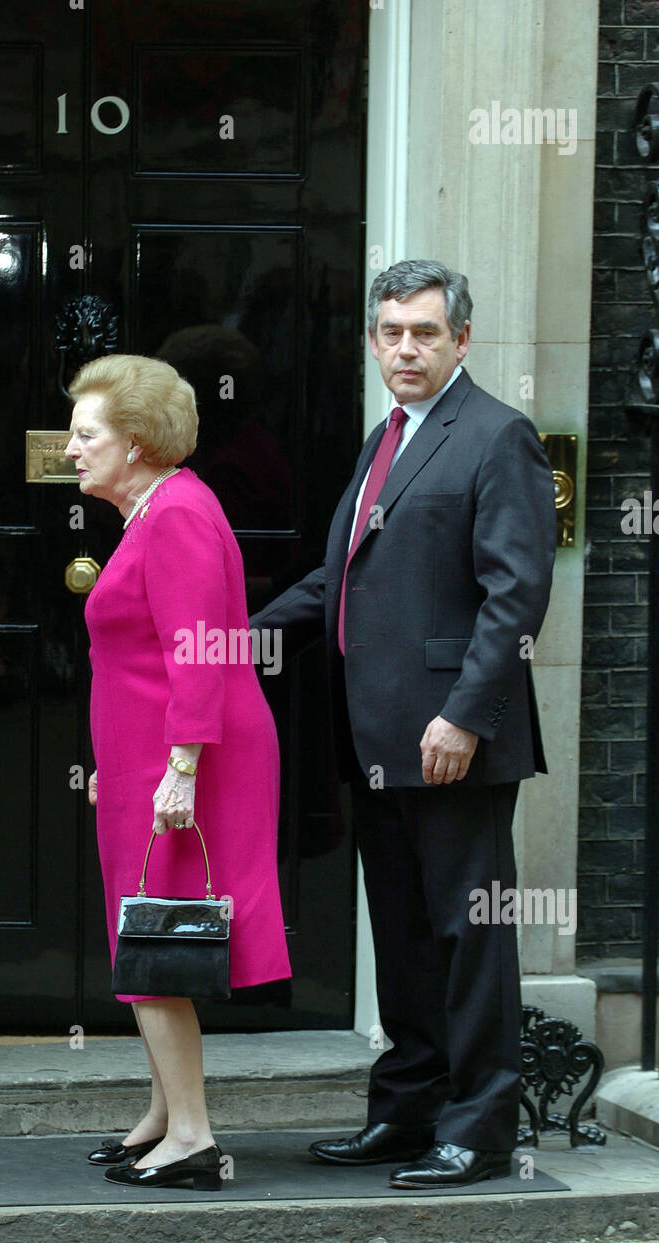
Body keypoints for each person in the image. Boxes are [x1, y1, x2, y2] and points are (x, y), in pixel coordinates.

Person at [252, 260, 557, 1188]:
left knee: (469, 934)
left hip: (450, 739)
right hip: (375, 738)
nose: (405, 349)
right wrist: (230, 648)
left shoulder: (496, 436)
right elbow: (335, 580)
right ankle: (410, 1109)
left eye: (424, 332)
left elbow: (516, 597)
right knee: (404, 930)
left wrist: (463, 717)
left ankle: (480, 1127)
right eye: (390, 332)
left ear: (461, 339)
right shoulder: (386, 436)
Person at [64, 353, 291, 1191]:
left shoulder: (178, 517)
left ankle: (193, 1138)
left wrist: (180, 771)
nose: (72, 450)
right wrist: (121, 767)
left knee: (153, 941)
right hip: (150, 758)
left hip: (190, 760)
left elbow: (198, 658)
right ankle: (163, 1115)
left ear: (136, 441)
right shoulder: (157, 511)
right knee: (146, 937)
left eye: (87, 435)